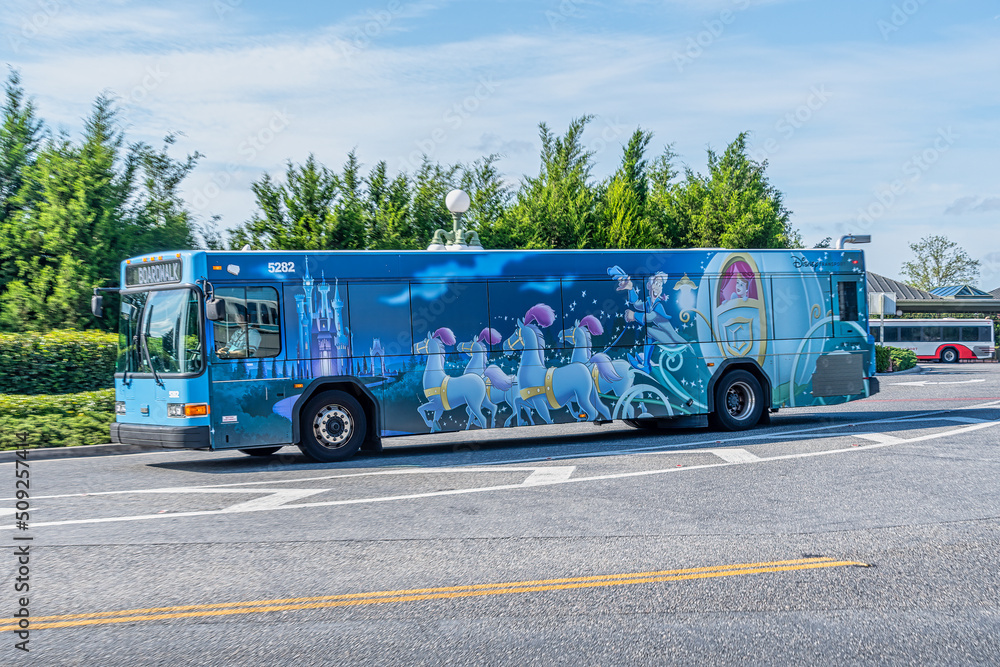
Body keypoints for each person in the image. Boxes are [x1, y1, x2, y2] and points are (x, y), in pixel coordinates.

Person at [611, 268, 687, 374]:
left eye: (660, 285)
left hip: (672, 340)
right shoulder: (649, 304)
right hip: (665, 337)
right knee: (650, 332)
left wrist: (634, 315)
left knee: (649, 331)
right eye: (656, 283)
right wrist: (631, 288)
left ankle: (646, 365)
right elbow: (637, 304)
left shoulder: (658, 305)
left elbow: (651, 317)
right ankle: (646, 363)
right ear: (649, 286)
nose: (657, 287)